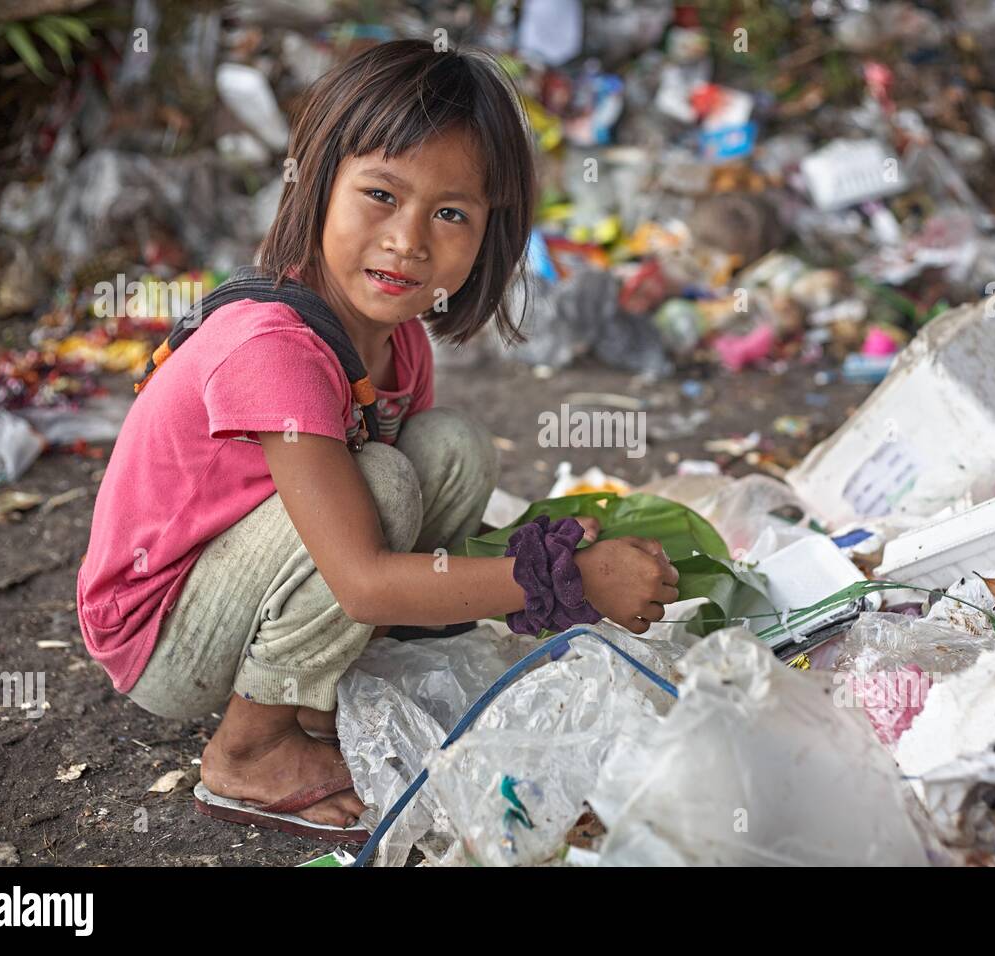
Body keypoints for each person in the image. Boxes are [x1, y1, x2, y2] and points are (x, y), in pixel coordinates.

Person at [75, 39, 679, 842]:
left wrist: (543, 550)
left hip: (258, 582)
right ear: (319, 185)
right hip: (161, 630)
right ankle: (249, 752)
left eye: (451, 213)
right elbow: (362, 581)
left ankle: (321, 706)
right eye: (382, 194)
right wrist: (563, 580)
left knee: (451, 449)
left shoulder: (400, 343)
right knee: (385, 485)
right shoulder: (274, 348)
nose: (409, 240)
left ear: (492, 233)